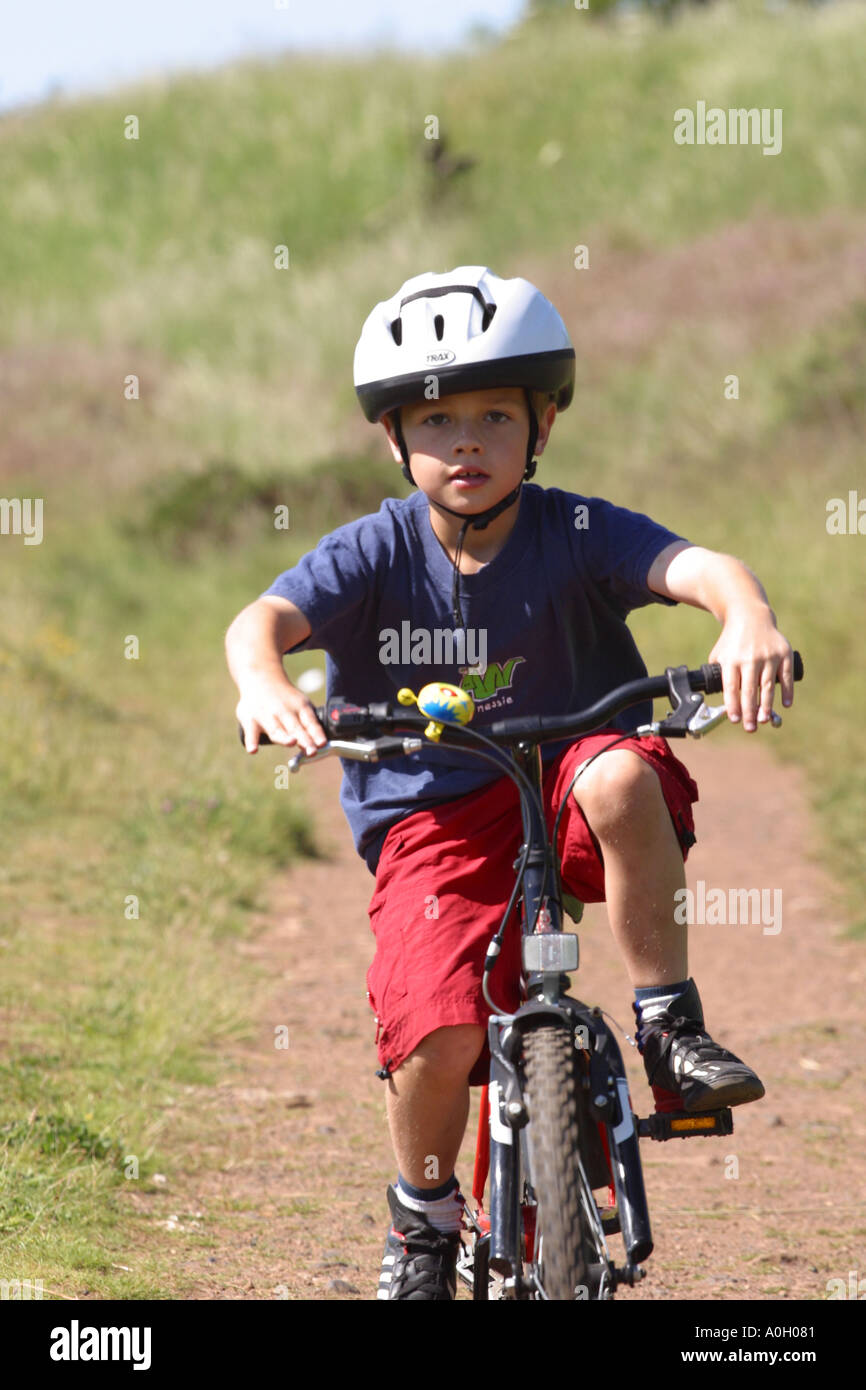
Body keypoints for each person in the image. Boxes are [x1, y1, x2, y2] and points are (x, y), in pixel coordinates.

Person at [225, 266, 795, 1300]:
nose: (468, 442)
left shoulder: (574, 531)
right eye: (436, 419)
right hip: (432, 816)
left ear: (542, 425)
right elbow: (258, 622)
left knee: (624, 772)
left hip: (567, 781)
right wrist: (264, 683)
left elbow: (698, 567)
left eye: (495, 413)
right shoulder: (373, 549)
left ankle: (666, 1023)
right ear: (393, 438)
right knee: (438, 1031)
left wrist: (743, 616)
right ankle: (424, 1223)